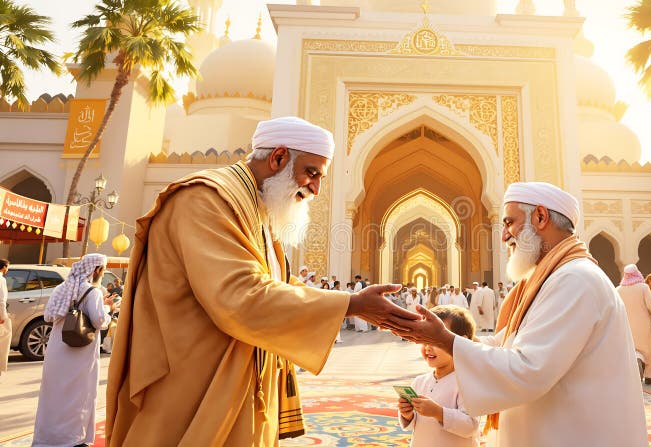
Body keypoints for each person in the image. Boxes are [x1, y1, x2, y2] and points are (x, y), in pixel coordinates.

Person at [105, 116, 418, 446]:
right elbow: (239, 296)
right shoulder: (206, 199)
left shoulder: (255, 207)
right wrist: (351, 303)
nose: (315, 189)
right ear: (279, 157)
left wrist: (351, 305)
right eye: (311, 173)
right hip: (194, 385)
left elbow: (274, 281)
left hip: (237, 381)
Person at [394, 182, 648, 446]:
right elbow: (509, 341)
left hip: (574, 435)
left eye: (509, 223)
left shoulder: (574, 279)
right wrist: (442, 337)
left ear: (540, 216)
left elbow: (527, 368)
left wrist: (447, 341)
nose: (504, 236)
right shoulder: (549, 279)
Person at [33, 254, 111, 446]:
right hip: (80, 353)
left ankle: (47, 438)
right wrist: (109, 309)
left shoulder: (61, 288)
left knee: (53, 395)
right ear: (96, 270)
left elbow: (50, 316)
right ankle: (72, 439)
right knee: (79, 396)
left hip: (57, 351)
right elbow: (99, 321)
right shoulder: (93, 292)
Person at [398, 305, 480, 447]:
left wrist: (439, 413)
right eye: (424, 340)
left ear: (461, 342)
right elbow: (416, 425)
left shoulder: (466, 382)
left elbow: (471, 426)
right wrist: (407, 415)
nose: (428, 347)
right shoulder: (419, 382)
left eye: (435, 341)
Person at [616, 264, 651, 385]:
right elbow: (650, 305)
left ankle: (637, 360)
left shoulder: (618, 289)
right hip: (644, 322)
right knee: (649, 348)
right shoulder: (643, 287)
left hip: (626, 324)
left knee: (633, 347)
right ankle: (650, 376)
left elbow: (616, 308)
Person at [0, 259, 10, 377]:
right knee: (3, 342)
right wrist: (3, 316)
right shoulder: (2, 280)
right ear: (4, 267)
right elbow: (2, 300)